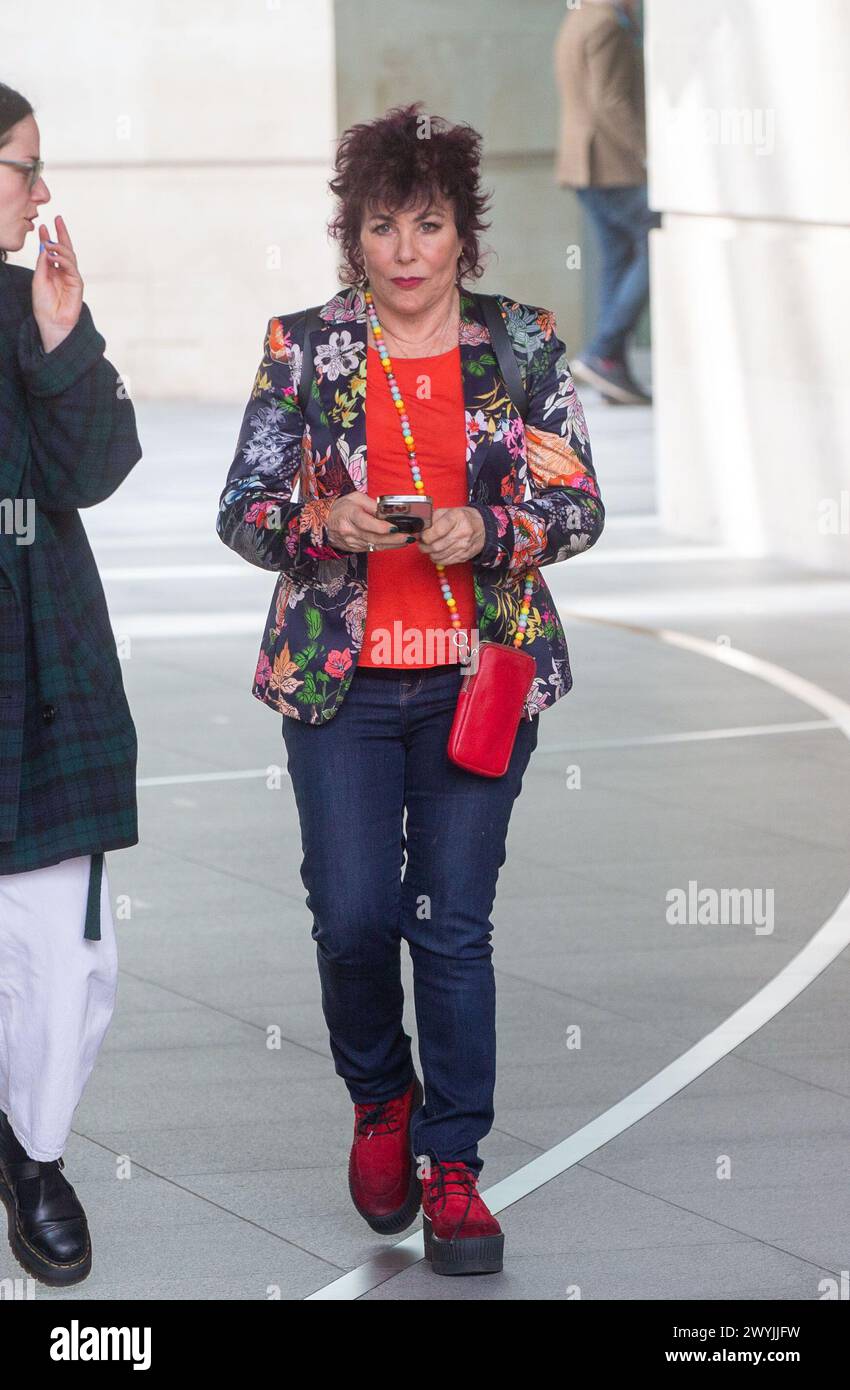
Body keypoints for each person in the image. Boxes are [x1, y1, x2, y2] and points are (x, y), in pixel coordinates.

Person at [217, 102, 605, 1277]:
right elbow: (241, 507)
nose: (403, 249)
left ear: (461, 235)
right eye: (381, 226)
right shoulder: (305, 348)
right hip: (339, 687)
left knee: (453, 923)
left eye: (426, 225)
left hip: (476, 681)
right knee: (349, 914)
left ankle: (452, 1165)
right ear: (356, 236)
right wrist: (316, 519)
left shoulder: (523, 344)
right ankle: (378, 1092)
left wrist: (484, 526)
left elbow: (578, 505)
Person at [0, 83, 142, 1286]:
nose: (43, 193)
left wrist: (61, 335)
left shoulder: (28, 303)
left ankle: (35, 1154)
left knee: (64, 947)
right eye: (25, 165)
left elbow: (97, 468)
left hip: (38, 661)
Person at [555, 0, 660, 404]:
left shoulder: (578, 18)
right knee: (655, 240)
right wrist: (649, 153)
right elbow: (610, 102)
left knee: (617, 257)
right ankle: (603, 350)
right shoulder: (607, 26)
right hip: (610, 166)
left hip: (587, 166)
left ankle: (610, 366)